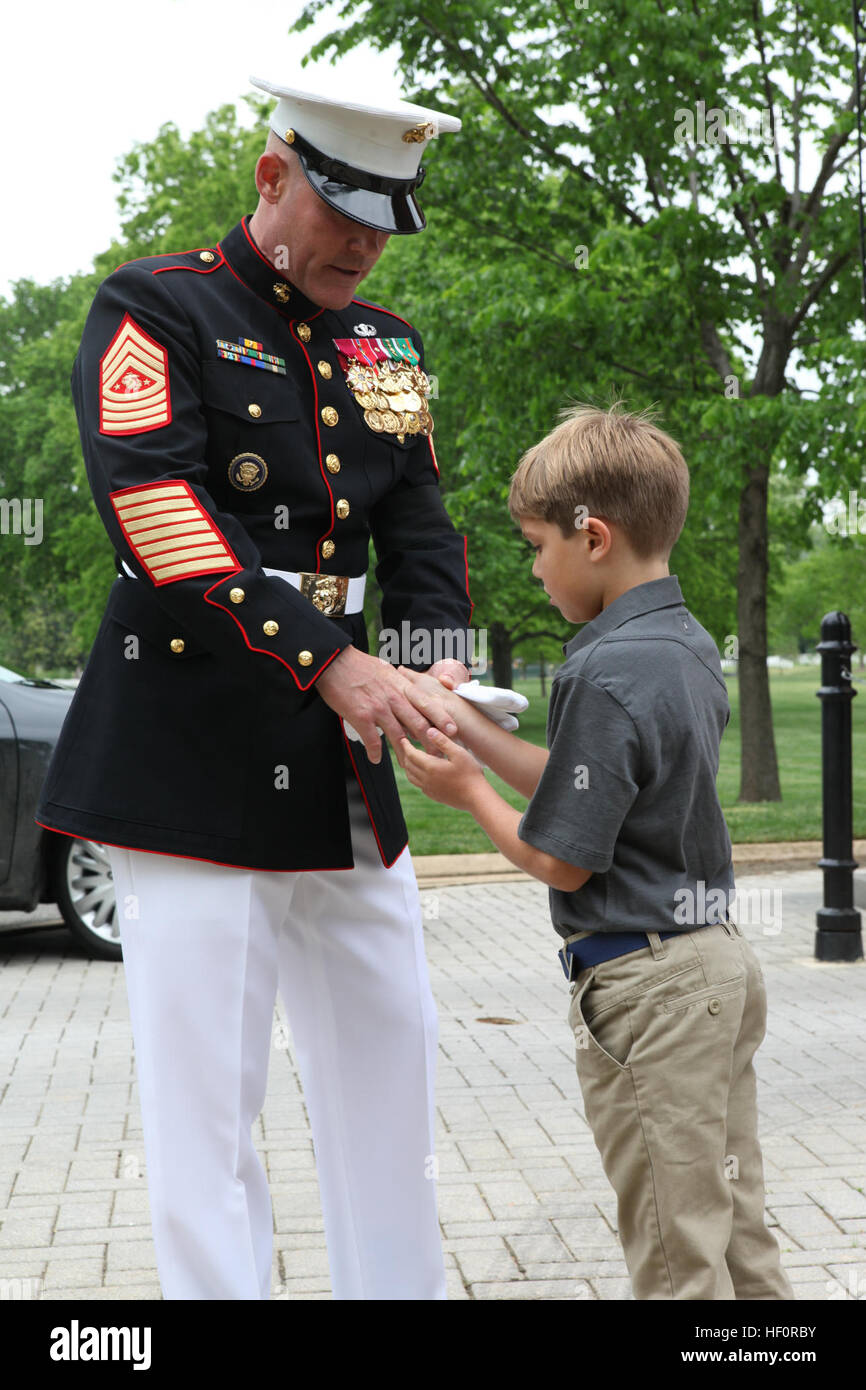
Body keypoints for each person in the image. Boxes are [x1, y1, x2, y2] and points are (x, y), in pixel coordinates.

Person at [36, 77, 473, 1301]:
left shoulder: (389, 346)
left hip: (344, 764)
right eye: (342, 208)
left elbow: (422, 533)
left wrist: (437, 668)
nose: (365, 242)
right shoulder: (156, 304)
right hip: (185, 746)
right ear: (274, 177)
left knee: (392, 1070)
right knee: (207, 1107)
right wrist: (331, 660)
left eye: (386, 219)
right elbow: (156, 513)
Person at [399, 402, 794, 1300]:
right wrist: (469, 732)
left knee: (671, 1252)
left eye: (538, 545)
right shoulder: (680, 643)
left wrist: (468, 794)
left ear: (595, 537)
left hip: (648, 991)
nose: (534, 569)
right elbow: (590, 785)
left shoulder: (601, 670)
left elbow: (562, 859)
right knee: (734, 1231)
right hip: (715, 970)